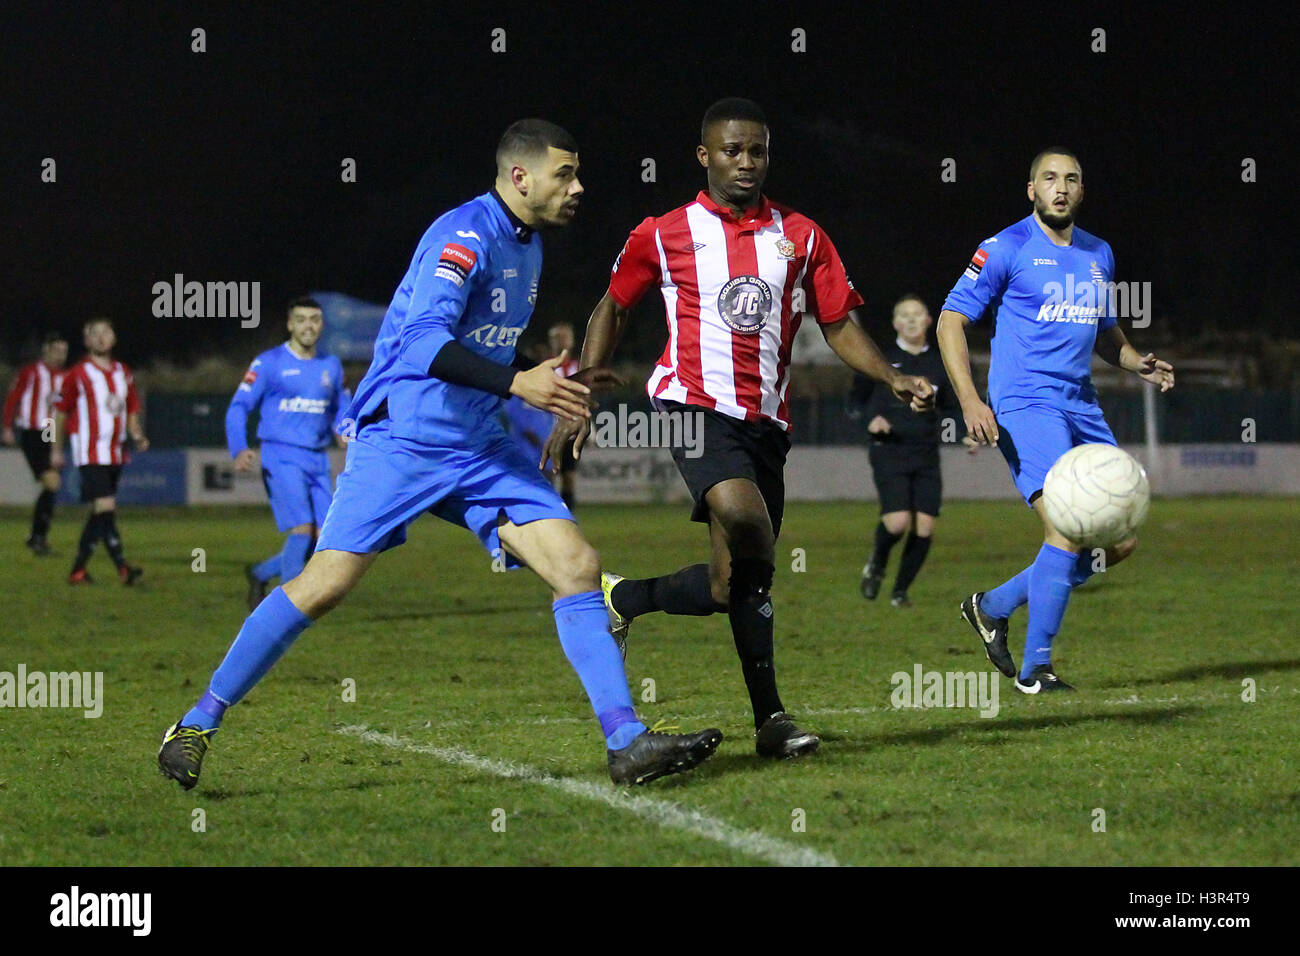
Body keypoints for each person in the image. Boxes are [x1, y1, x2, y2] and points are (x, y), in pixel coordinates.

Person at [159, 119, 722, 790]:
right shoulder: (463, 235)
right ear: (521, 178)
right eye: (564, 174)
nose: (579, 188)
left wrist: (545, 377)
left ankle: (626, 742)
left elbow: (479, 346)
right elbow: (425, 341)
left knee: (576, 565)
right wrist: (519, 382)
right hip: (405, 441)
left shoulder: (529, 248)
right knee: (324, 585)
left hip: (479, 445)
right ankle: (196, 722)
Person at [544, 98, 933, 758]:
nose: (745, 162)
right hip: (693, 408)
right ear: (704, 156)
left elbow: (837, 323)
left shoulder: (803, 236)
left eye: (757, 151)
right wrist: (583, 384)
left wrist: (891, 375)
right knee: (744, 518)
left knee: (735, 586)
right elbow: (612, 306)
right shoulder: (663, 233)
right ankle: (774, 717)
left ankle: (628, 601)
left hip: (766, 423)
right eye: (732, 151)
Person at [937, 147, 1174, 693]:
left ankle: (992, 605)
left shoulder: (1098, 253)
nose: (1060, 187)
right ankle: (1035, 670)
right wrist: (971, 400)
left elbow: (1104, 331)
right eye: (1049, 178)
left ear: (1082, 191)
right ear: (1032, 190)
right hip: (1024, 401)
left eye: (1071, 179)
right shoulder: (1005, 247)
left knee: (1120, 540)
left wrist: (1136, 360)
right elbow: (952, 320)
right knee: (1067, 527)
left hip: (1081, 403)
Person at [851, 295, 976, 607]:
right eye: (903, 315)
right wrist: (871, 419)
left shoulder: (939, 363)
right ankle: (877, 564)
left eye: (917, 314)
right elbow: (855, 403)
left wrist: (966, 433)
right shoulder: (882, 360)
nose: (910, 320)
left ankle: (900, 591)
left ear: (928, 321)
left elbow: (952, 408)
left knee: (924, 526)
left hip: (926, 452)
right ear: (895, 323)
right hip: (889, 450)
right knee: (897, 523)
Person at [225, 297, 348, 610]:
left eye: (315, 319)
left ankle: (260, 573)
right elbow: (239, 407)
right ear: (290, 324)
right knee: (302, 529)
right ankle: (286, 608)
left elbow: (341, 405)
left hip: (317, 457)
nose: (309, 325)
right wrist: (239, 447)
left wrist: (344, 426)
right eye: (302, 319)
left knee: (325, 540)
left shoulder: (330, 366)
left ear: (322, 325)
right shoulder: (268, 363)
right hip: (280, 454)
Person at [53, 318, 149, 585]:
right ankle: (123, 567)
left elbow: (131, 409)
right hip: (89, 452)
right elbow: (59, 414)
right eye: (94, 334)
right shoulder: (78, 374)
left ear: (114, 338)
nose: (101, 337)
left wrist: (138, 435)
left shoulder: (123, 372)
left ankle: (78, 570)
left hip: (116, 453)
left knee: (100, 513)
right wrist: (56, 449)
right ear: (86, 341)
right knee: (105, 506)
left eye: (106, 332)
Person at [3, 331, 69, 555]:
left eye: (64, 351)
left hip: (47, 431)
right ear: (46, 350)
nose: (61, 355)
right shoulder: (31, 372)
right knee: (51, 482)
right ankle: (37, 537)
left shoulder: (63, 378)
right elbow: (13, 399)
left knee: (53, 483)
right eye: (57, 350)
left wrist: (56, 447)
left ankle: (37, 536)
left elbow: (59, 411)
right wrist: (7, 427)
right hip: (31, 431)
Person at [547, 323, 581, 510]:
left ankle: (569, 518)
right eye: (558, 338)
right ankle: (549, 516)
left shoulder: (579, 367)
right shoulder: (545, 368)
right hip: (549, 431)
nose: (562, 341)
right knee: (549, 476)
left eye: (565, 337)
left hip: (571, 432)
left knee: (569, 478)